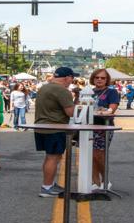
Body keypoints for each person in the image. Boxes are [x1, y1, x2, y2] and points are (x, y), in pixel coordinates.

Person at [33, 67, 78, 195]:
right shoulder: (62, 91)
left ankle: (49, 183)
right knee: (53, 157)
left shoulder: (44, 87)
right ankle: (47, 187)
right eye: (72, 78)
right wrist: (80, 106)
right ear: (67, 77)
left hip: (41, 126)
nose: (72, 81)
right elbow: (70, 112)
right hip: (55, 127)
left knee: (50, 157)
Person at [88, 69, 121, 189]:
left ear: (107, 79)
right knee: (90, 155)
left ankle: (105, 180)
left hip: (104, 126)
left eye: (102, 78)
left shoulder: (111, 92)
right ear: (93, 78)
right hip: (88, 126)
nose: (99, 80)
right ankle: (94, 182)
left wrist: (107, 110)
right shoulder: (89, 91)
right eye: (97, 77)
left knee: (99, 155)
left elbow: (112, 107)